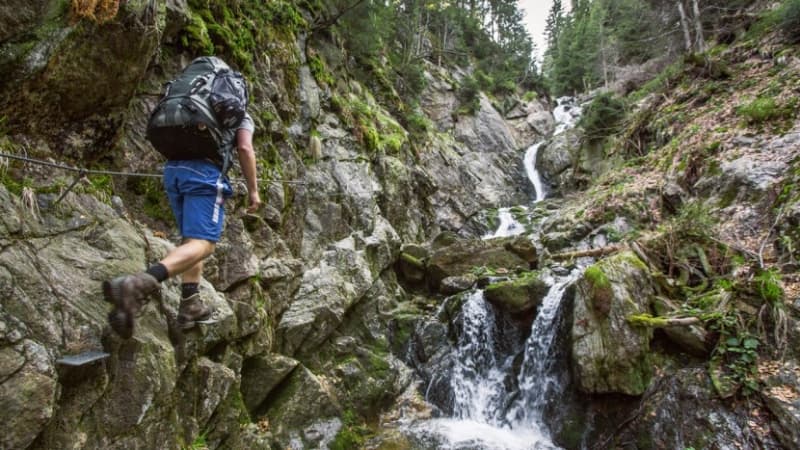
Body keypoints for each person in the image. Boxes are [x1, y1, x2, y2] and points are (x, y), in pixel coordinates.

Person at [103, 113, 262, 339]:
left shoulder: (189, 101)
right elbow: (245, 148)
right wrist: (253, 190)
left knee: (191, 240)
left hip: (173, 171)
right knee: (204, 244)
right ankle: (138, 284)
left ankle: (190, 302)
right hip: (205, 174)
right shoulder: (236, 109)